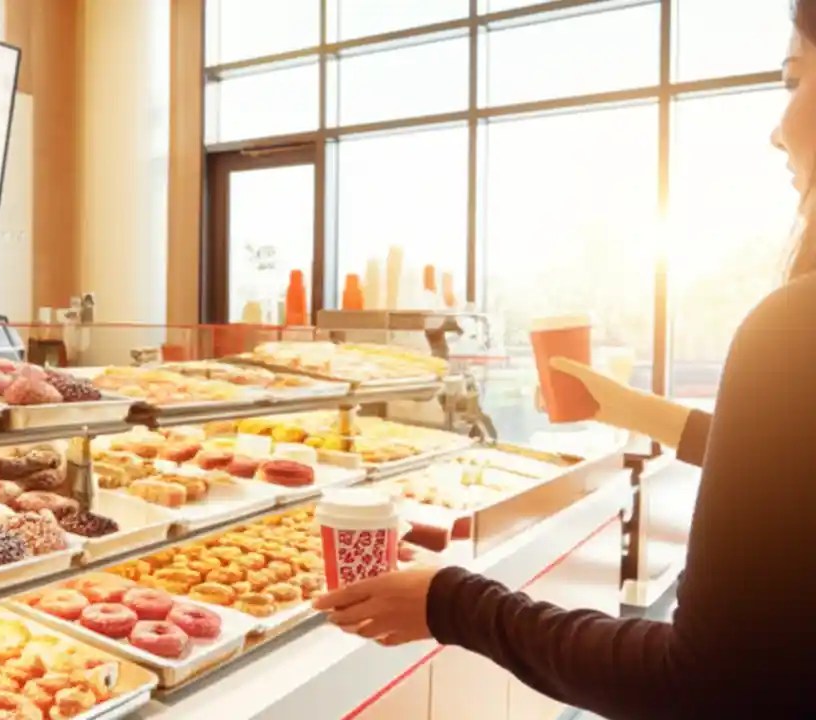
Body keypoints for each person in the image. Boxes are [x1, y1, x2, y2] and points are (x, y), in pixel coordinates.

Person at [315, 6, 816, 718]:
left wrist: (450, 601)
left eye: (793, 78)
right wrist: (629, 407)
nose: (776, 127)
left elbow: (700, 681)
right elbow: (784, 472)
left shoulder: (795, 329)